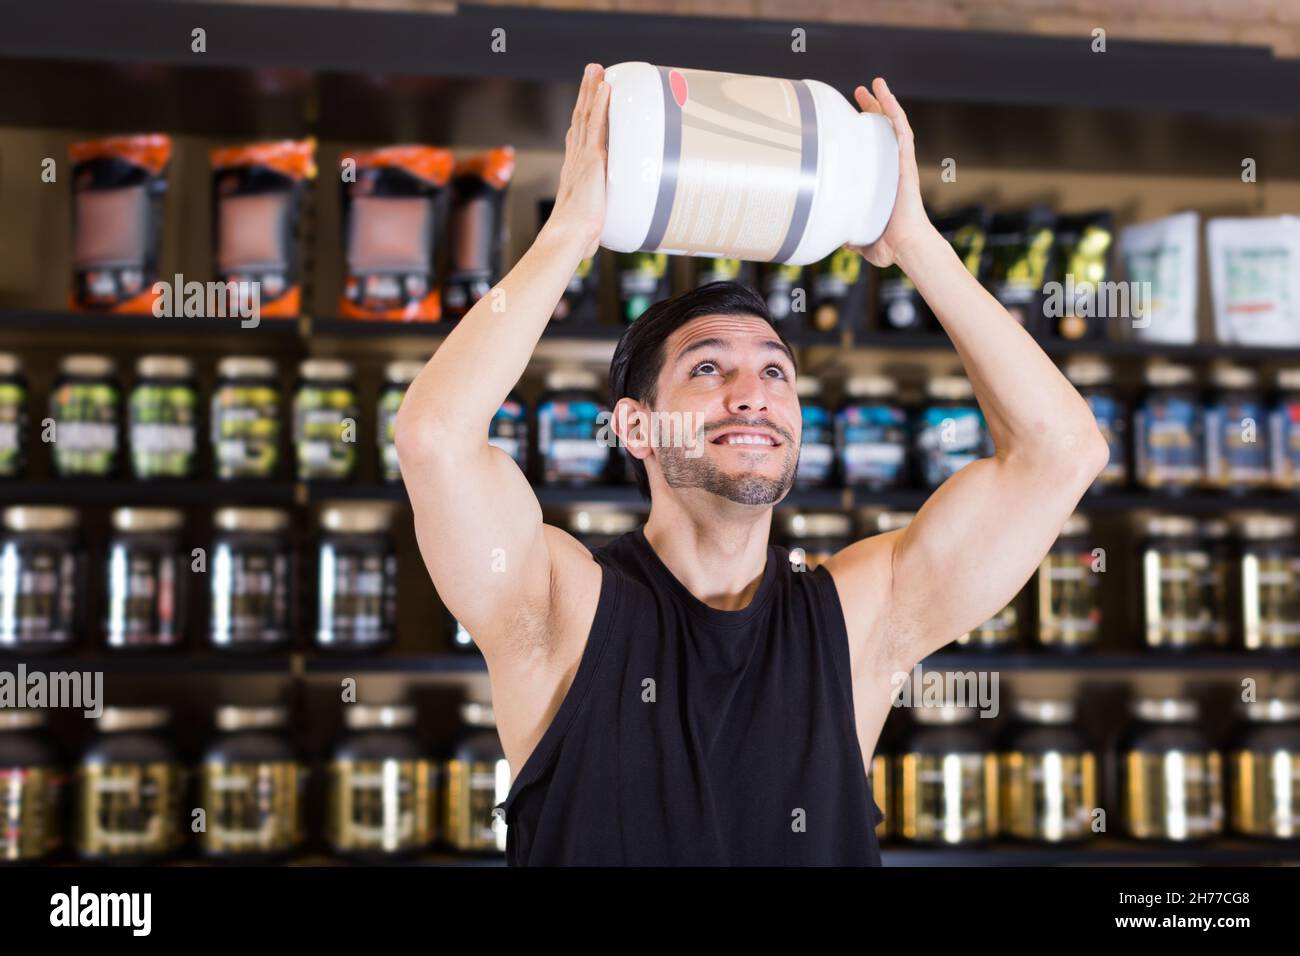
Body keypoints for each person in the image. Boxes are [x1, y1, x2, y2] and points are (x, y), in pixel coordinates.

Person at [395, 63, 1108, 865]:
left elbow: (1063, 451)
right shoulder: (559, 608)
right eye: (707, 368)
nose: (752, 393)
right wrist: (570, 231)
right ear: (636, 427)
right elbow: (435, 439)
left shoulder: (860, 621)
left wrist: (915, 243)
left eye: (775, 371)